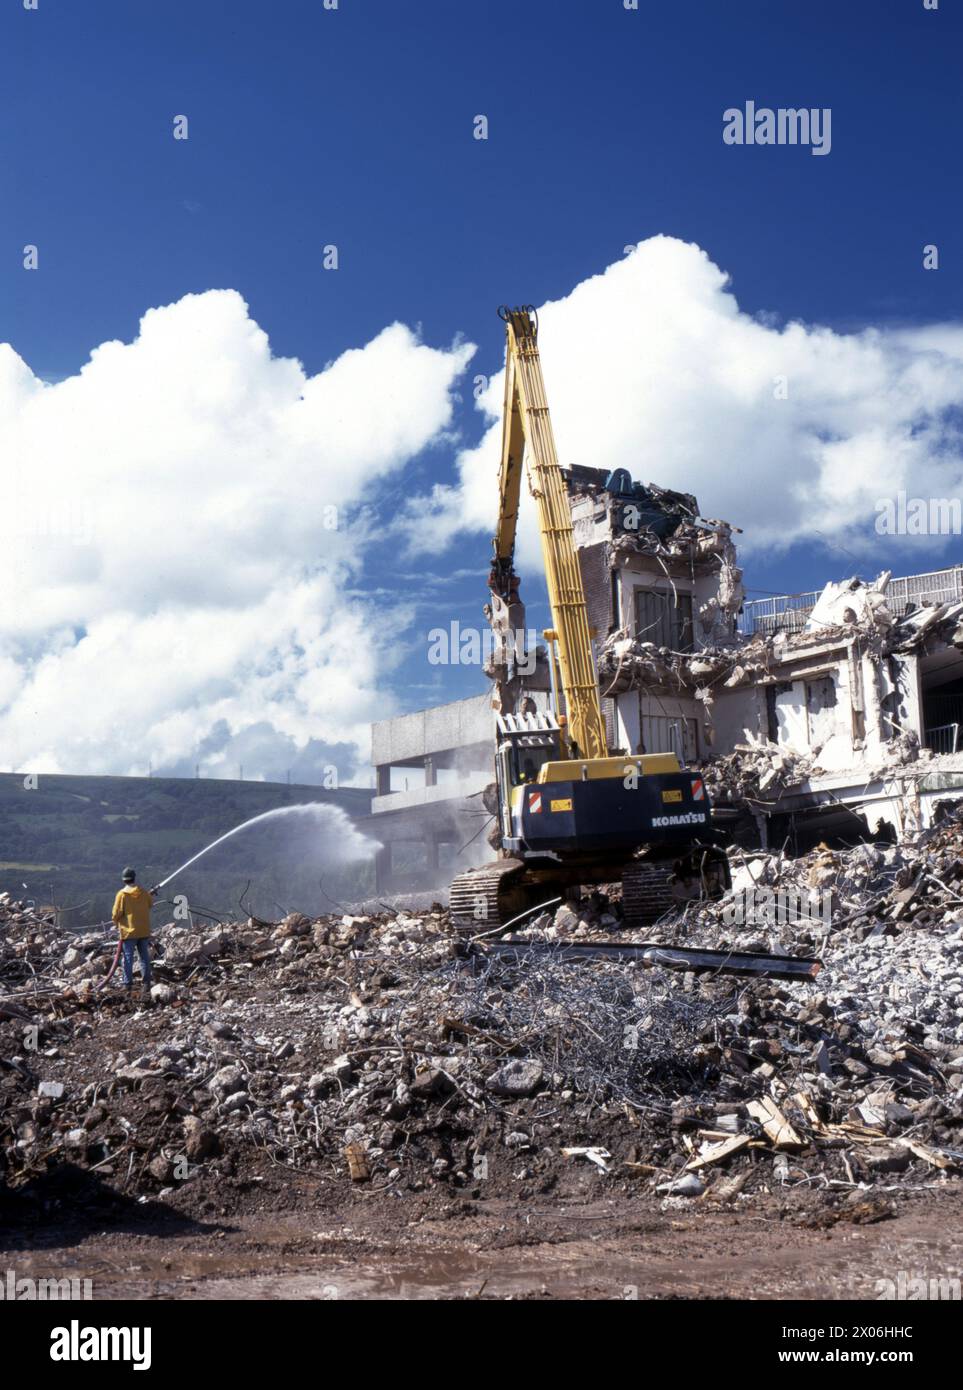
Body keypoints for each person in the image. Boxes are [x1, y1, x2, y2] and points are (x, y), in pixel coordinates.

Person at [111, 867, 157, 995]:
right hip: (143, 930)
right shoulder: (143, 892)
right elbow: (150, 904)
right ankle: (146, 983)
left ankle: (127, 985)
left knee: (128, 958)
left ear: (124, 880)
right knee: (144, 957)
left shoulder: (122, 894)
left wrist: (116, 923)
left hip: (128, 932)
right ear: (134, 878)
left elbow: (116, 913)